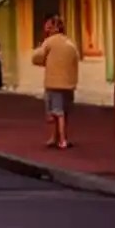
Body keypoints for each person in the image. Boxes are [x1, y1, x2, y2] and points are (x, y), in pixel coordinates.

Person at [33, 15, 78, 150]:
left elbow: (36, 57)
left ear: (54, 28)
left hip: (54, 82)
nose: (47, 29)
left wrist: (45, 61)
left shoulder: (49, 42)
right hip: (69, 83)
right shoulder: (70, 42)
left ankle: (62, 140)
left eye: (49, 26)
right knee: (64, 112)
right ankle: (56, 137)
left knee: (56, 113)